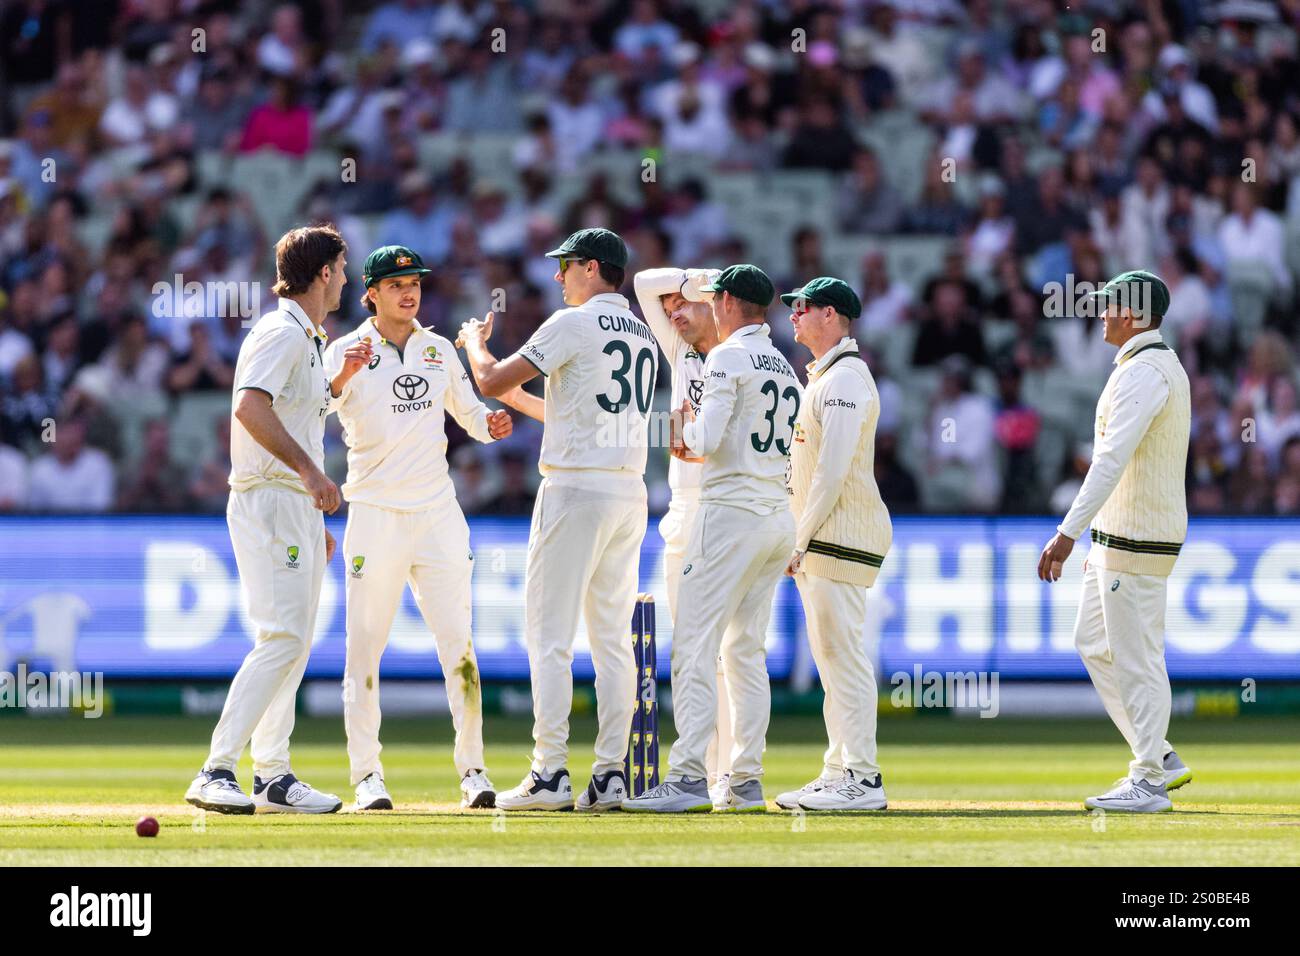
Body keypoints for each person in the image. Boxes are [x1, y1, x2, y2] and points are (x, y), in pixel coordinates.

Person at [458, 228, 655, 812]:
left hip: (574, 490)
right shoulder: (641, 333)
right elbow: (571, 413)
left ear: (592, 268)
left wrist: (474, 343)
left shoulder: (572, 323)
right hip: (627, 492)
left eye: (565, 265)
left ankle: (549, 773)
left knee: (549, 637)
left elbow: (491, 381)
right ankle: (612, 775)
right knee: (613, 642)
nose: (557, 276)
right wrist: (519, 402)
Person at [324, 245, 512, 812]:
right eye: (397, 283)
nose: (410, 292)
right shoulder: (345, 350)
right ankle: (367, 777)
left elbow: (471, 417)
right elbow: (313, 412)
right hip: (375, 515)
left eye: (416, 283)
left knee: (459, 646)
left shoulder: (436, 350)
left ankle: (474, 772)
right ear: (372, 293)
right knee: (365, 652)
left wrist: (493, 424)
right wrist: (339, 380)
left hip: (437, 515)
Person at [623, 264, 798, 813]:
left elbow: (705, 439)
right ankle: (744, 780)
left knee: (695, 647)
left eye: (709, 297)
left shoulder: (725, 357)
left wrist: (680, 433)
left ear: (724, 303)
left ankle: (689, 778)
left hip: (727, 516)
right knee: (745, 652)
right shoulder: (786, 368)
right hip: (774, 517)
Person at [185, 225, 347, 815]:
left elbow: (299, 415)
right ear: (323, 272)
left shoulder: (307, 337)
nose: (346, 280)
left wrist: (311, 507)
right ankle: (217, 767)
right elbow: (249, 407)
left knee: (293, 642)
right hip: (270, 498)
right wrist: (308, 475)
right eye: (342, 268)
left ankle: (273, 775)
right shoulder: (280, 332)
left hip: (293, 505)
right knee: (281, 637)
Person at [1038, 270, 1193, 813]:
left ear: (1136, 313)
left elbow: (1110, 461)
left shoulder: (1146, 370)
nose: (1101, 313)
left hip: (1138, 534)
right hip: (1120, 532)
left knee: (1137, 656)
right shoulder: (1141, 366)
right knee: (1094, 642)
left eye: (1110, 305)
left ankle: (1149, 778)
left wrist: (1066, 534)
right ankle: (1160, 756)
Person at [777, 277, 893, 812]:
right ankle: (837, 768)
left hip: (839, 536)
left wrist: (798, 538)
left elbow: (832, 468)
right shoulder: (826, 376)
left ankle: (863, 780)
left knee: (843, 658)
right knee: (830, 659)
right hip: (825, 535)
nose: (794, 316)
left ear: (831, 315)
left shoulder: (845, 378)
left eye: (802, 307)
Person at [632, 264, 734, 808]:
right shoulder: (681, 350)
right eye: (671, 306)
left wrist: (701, 289)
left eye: (686, 303)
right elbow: (644, 283)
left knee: (725, 653)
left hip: (727, 509)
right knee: (693, 651)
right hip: (682, 510)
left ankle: (722, 775)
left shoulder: (737, 356)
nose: (672, 310)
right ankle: (712, 774)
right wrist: (690, 284)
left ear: (717, 304)